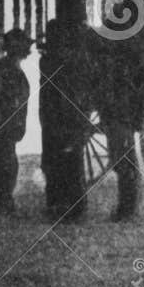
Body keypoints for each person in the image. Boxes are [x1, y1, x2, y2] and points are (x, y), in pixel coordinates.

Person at [38, 20, 90, 222]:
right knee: (66, 161)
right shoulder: (66, 62)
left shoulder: (50, 62)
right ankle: (70, 205)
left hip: (59, 118)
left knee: (60, 161)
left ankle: (61, 204)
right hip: (60, 118)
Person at [93, 37, 144, 221]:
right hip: (121, 115)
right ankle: (129, 207)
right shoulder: (130, 57)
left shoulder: (120, 62)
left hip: (119, 115)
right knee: (125, 160)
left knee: (123, 161)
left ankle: (127, 209)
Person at [0, 28, 31, 215]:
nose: (28, 49)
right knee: (7, 164)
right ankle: (2, 204)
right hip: (1, 124)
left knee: (7, 163)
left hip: (6, 124)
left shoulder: (10, 65)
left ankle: (1, 202)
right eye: (25, 45)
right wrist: (1, 124)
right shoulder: (5, 67)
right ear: (16, 47)